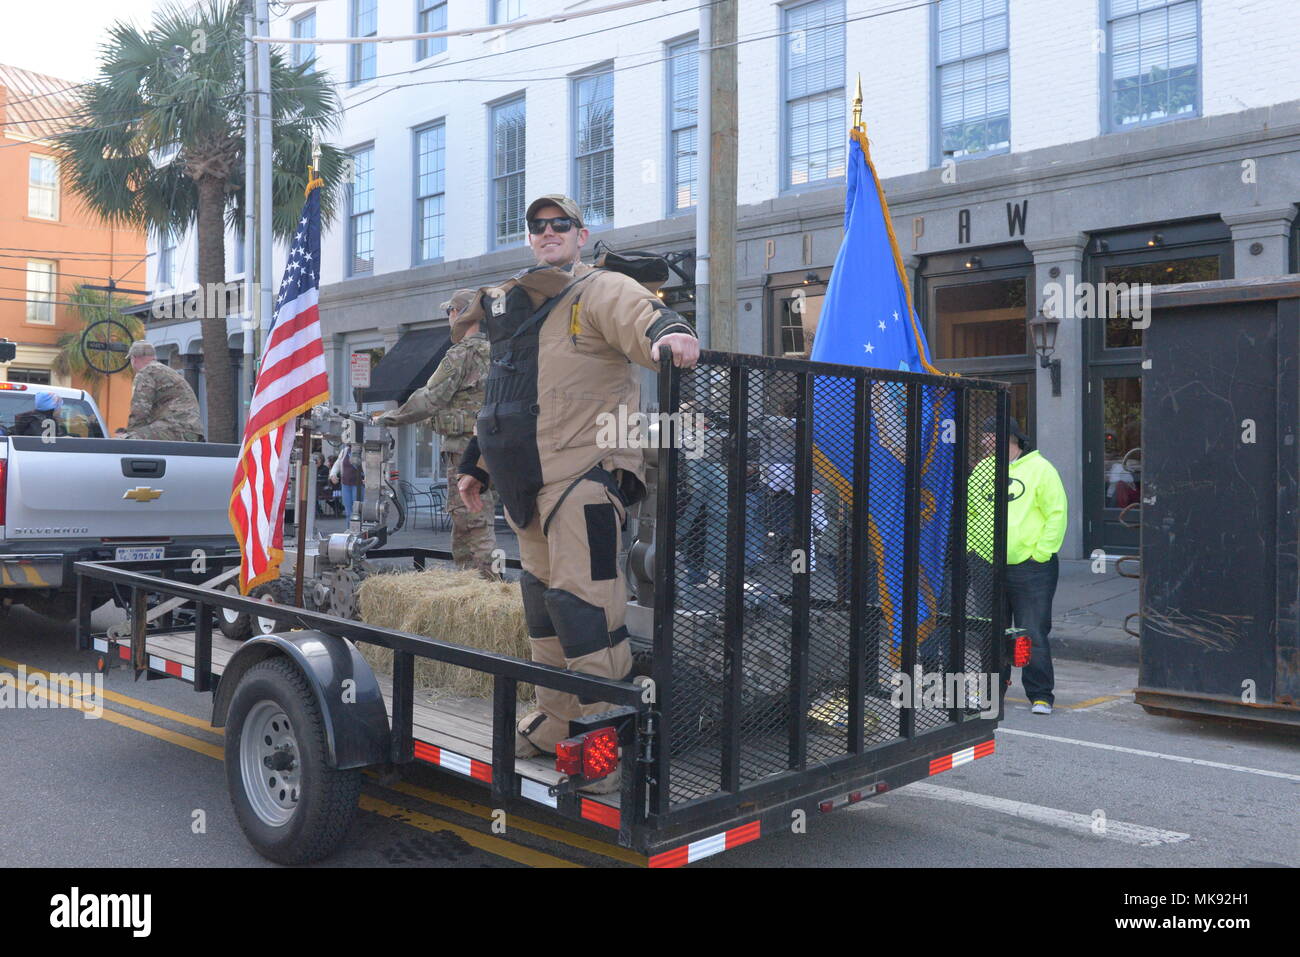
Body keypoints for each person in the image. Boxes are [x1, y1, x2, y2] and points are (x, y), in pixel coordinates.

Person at [455, 194, 698, 789]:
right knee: (543, 607)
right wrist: (477, 467)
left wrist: (672, 335)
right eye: (537, 225)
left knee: (588, 609)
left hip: (584, 476)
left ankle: (603, 744)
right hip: (527, 482)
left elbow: (647, 317)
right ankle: (560, 721)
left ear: (581, 234)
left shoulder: (600, 290)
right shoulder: (520, 306)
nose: (547, 232)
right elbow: (504, 398)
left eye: (559, 224)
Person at [376, 289, 498, 579]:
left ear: (459, 314)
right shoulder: (497, 351)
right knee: (471, 519)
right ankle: (472, 584)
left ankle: (488, 585)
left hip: (464, 451)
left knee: (473, 519)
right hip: (491, 447)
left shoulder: (461, 354)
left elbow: (430, 397)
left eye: (449, 312)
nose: (448, 318)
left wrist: (389, 418)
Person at [967, 417, 1067, 715]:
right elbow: (970, 511)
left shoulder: (1041, 469)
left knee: (1032, 631)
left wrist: (1041, 553)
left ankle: (1040, 695)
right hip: (986, 564)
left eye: (989, 436)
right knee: (991, 630)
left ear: (1009, 438)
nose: (984, 442)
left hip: (1031, 567)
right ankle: (991, 693)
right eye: (983, 437)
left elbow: (1057, 514)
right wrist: (974, 549)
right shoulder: (983, 469)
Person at [119, 341, 204, 441]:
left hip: (174, 429)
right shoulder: (167, 371)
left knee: (126, 441)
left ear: (134, 358)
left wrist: (131, 434)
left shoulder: (146, 372)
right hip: (192, 431)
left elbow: (140, 411)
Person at [330, 443, 363, 518]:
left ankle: (358, 528)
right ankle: (349, 528)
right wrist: (333, 474)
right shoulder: (344, 451)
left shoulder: (363, 451)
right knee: (348, 511)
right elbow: (337, 464)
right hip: (345, 484)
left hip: (358, 484)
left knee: (357, 510)